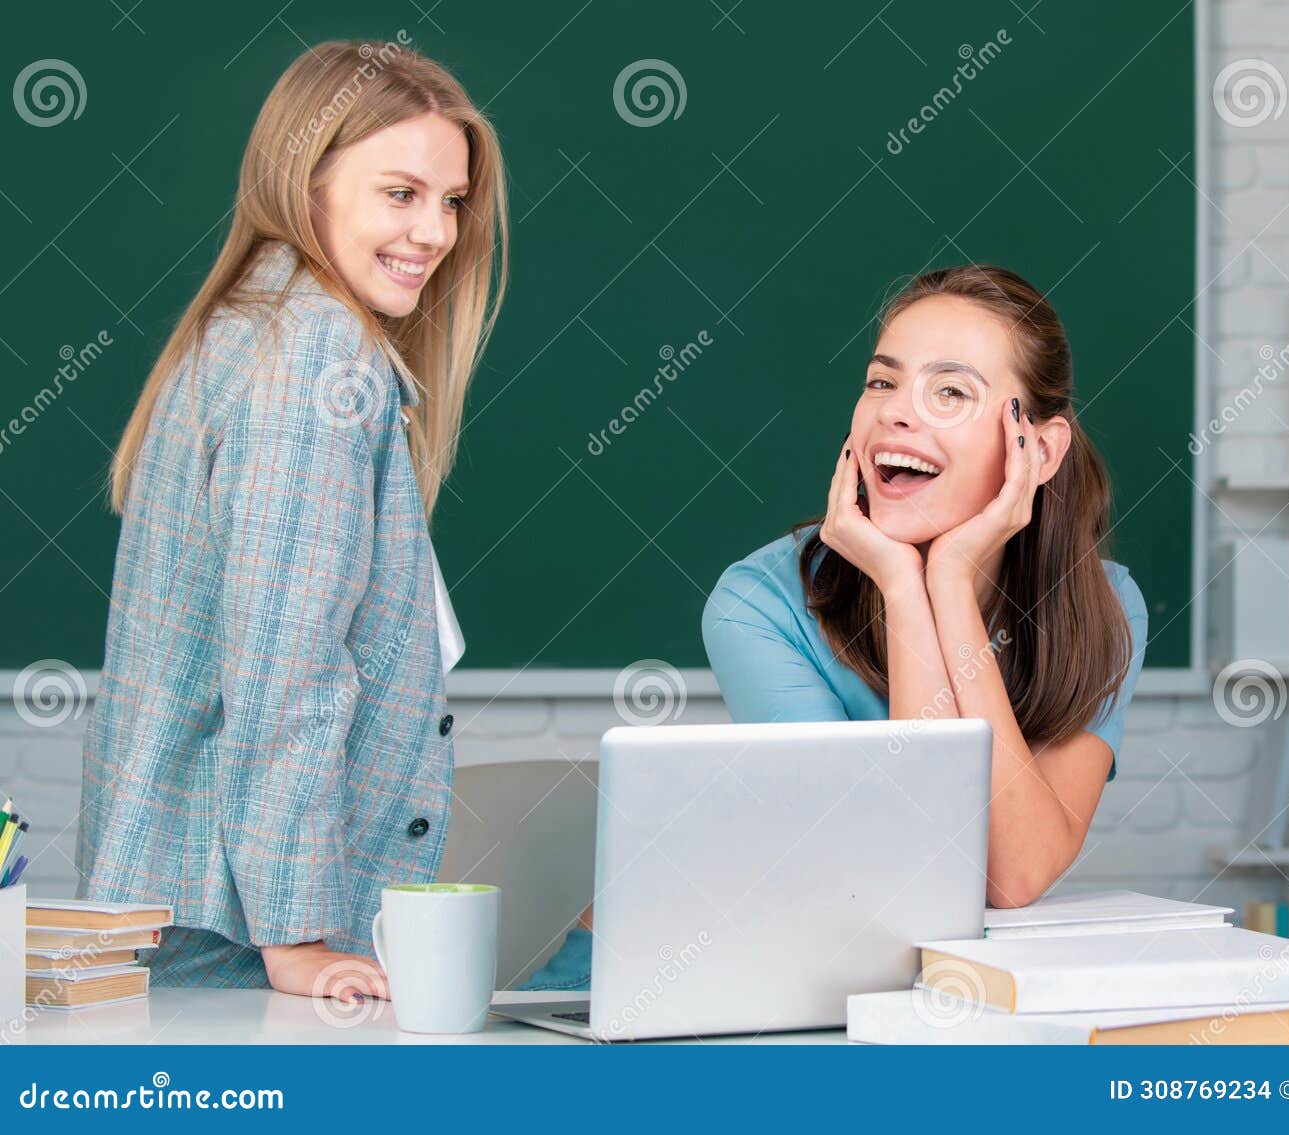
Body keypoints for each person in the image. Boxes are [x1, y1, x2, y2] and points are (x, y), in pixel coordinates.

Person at [521, 265, 1146, 991]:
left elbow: (1014, 877)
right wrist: (902, 585)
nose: (896, 414)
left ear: (1038, 451)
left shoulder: (1098, 608)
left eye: (950, 391)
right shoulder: (757, 605)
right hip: (647, 993)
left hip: (870, 998)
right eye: (882, 382)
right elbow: (909, 875)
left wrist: (946, 585)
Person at [77, 39, 507, 1003]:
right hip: (241, 934)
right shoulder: (319, 361)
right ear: (302, 182)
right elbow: (288, 667)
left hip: (194, 909)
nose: (435, 232)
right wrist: (300, 929)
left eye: (450, 201)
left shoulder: (258, 323)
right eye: (400, 193)